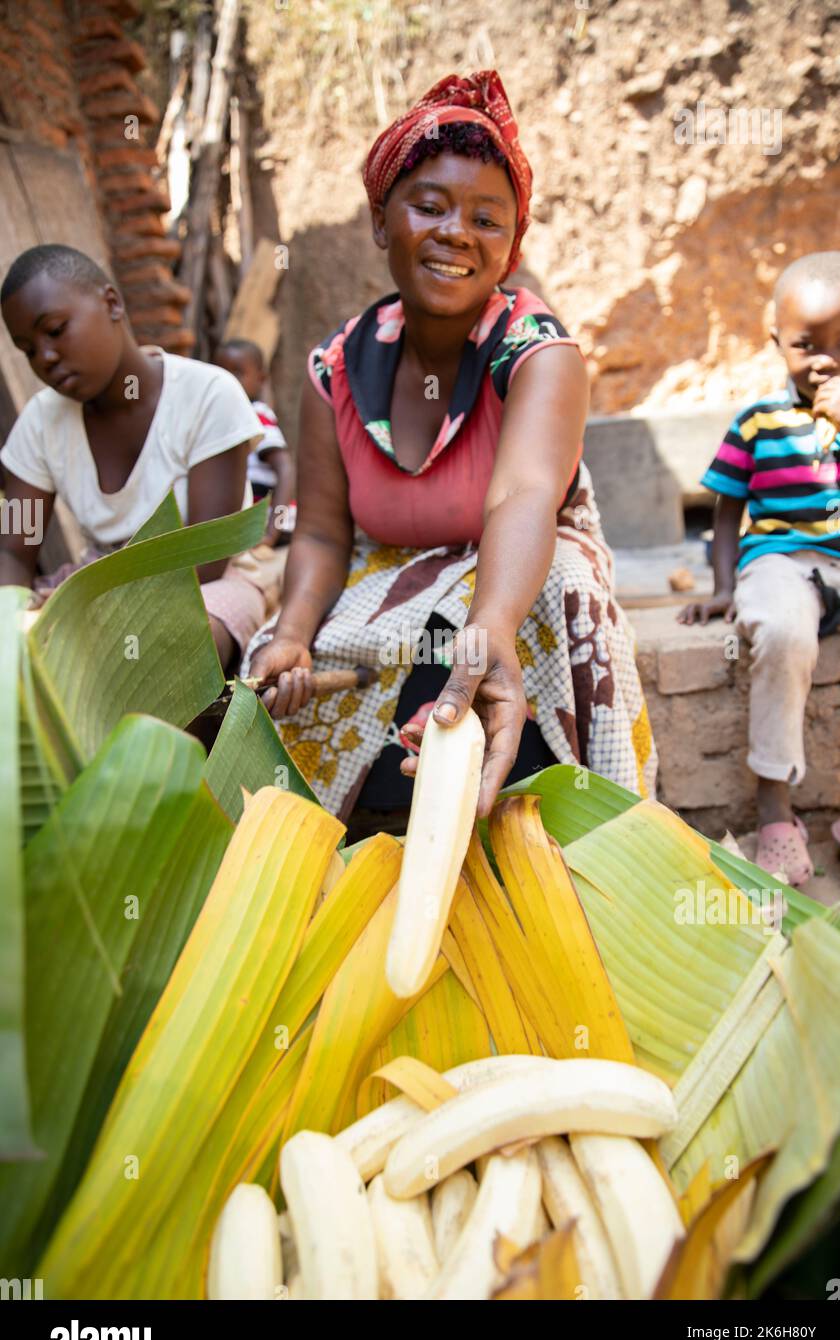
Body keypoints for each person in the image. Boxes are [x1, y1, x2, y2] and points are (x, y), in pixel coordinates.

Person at [245, 70, 656, 822]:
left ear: (511, 244)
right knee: (279, 676)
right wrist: (295, 635)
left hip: (516, 585)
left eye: (487, 220)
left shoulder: (538, 354)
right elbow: (324, 533)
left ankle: (560, 823)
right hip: (386, 584)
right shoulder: (331, 371)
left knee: (541, 592)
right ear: (380, 221)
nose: (456, 233)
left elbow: (524, 495)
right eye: (428, 206)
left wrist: (489, 629)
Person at [0, 243, 282, 669]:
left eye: (55, 330)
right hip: (92, 585)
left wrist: (85, 601)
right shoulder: (40, 425)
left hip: (212, 585)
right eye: (28, 349)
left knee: (168, 650)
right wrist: (11, 624)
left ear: (111, 303)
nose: (46, 358)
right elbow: (14, 551)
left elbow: (204, 559)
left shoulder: (207, 396)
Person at [679, 250, 840, 886]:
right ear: (775, 341)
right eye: (805, 344)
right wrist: (724, 586)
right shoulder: (756, 422)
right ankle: (774, 812)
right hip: (780, 561)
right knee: (783, 634)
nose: (826, 359)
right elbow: (725, 512)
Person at [214, 338, 296, 544]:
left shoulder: (256, 417)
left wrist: (272, 531)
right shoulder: (217, 420)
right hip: (244, 525)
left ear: (260, 379)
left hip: (267, 522)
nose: (229, 381)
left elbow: (286, 471)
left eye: (238, 372)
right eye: (221, 372)